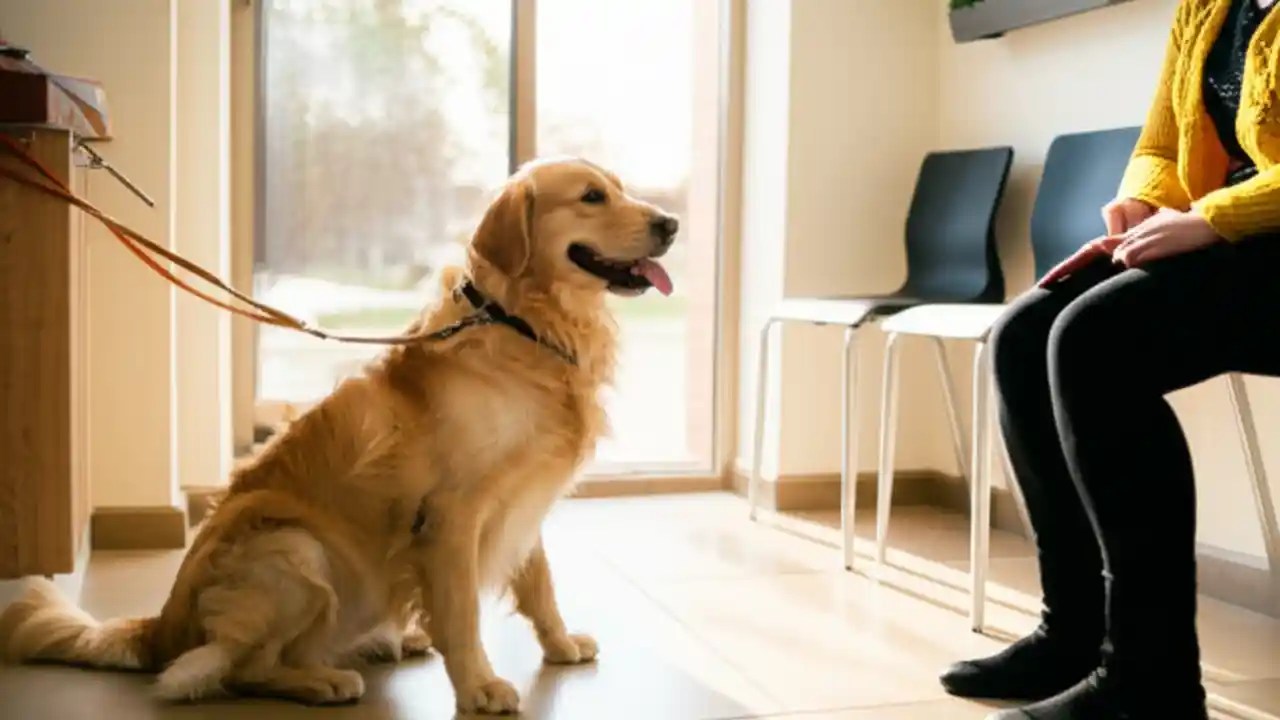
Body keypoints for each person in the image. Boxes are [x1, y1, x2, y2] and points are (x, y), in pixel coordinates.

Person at [938, 0, 1280, 718]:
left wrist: (1211, 220)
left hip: (1254, 238)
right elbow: (1160, 141)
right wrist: (1142, 205)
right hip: (1238, 242)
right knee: (1025, 334)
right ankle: (1073, 633)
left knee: (1098, 339)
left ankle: (1149, 681)